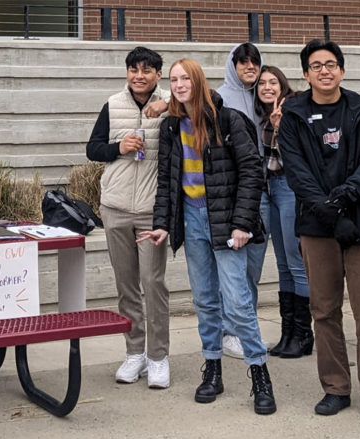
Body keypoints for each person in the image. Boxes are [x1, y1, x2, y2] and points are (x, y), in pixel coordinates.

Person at [138, 58, 273, 414]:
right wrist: (163, 224)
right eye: (174, 79)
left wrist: (242, 224)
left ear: (198, 81)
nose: (179, 84)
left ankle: (259, 373)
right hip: (193, 220)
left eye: (185, 78)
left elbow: (251, 172)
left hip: (227, 222)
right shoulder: (171, 126)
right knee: (205, 303)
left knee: (239, 302)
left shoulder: (228, 120)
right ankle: (212, 368)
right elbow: (168, 183)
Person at [278, 39, 360, 422]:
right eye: (316, 65)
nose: (324, 70)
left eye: (331, 64)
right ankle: (335, 388)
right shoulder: (293, 116)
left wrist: (342, 200)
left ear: (342, 70)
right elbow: (297, 173)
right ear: (306, 74)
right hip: (317, 226)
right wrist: (329, 211)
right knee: (324, 310)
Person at [86, 46, 172, 389]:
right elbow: (92, 149)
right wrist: (118, 147)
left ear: (158, 75)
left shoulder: (171, 104)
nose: (140, 76)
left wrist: (169, 104)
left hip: (152, 210)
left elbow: (207, 99)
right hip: (116, 207)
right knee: (127, 287)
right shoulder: (112, 104)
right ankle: (134, 353)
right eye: (134, 70)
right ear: (126, 73)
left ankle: (158, 357)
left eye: (147, 70)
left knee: (153, 284)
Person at [214, 42, 267, 360]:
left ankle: (244, 326)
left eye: (255, 62)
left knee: (253, 269)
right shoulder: (219, 98)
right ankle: (227, 331)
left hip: (262, 192)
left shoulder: (265, 96)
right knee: (233, 268)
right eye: (243, 62)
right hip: (232, 195)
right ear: (232, 65)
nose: (249, 67)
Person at [254, 65, 311, 359]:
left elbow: (299, 154)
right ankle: (288, 333)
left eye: (272, 82)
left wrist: (280, 127)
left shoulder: (294, 107)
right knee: (282, 263)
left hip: (289, 187)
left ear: (282, 84)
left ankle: (304, 333)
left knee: (296, 260)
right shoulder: (260, 113)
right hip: (269, 189)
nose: (267, 87)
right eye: (262, 83)